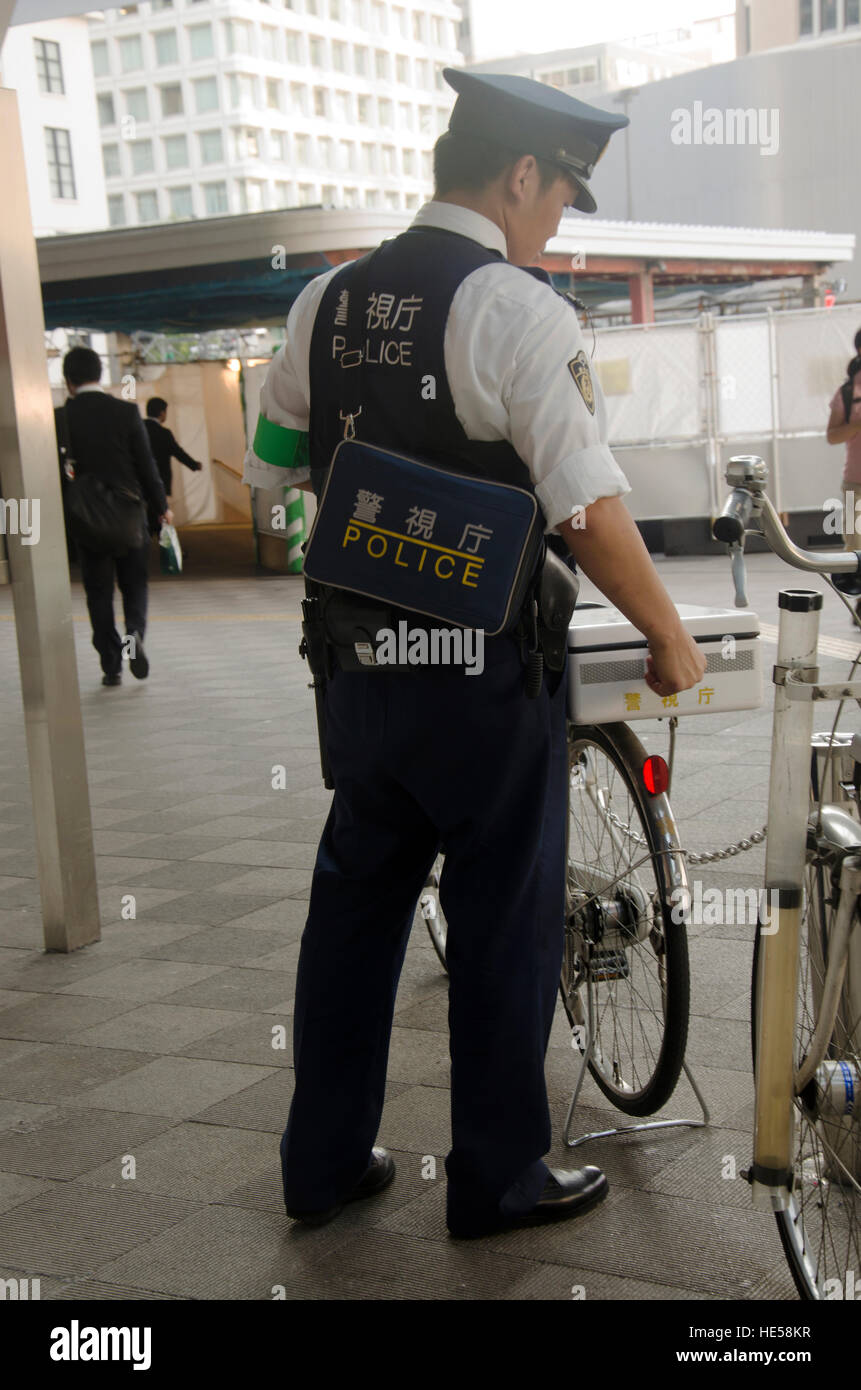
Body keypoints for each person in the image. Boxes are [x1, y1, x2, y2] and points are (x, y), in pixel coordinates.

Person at [243, 70, 706, 1240]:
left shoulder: (325, 302)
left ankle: (322, 1163)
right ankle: (499, 1176)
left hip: (356, 674)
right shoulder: (514, 308)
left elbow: (273, 472)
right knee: (504, 911)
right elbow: (586, 509)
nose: (555, 224)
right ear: (518, 175)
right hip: (482, 683)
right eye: (559, 198)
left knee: (353, 911)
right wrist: (666, 630)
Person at [56, 347, 171, 686]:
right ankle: (133, 634)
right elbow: (146, 466)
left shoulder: (60, 418)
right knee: (134, 585)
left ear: (68, 381)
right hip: (128, 516)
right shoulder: (126, 412)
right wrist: (161, 505)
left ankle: (110, 663)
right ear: (100, 375)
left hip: (86, 520)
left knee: (98, 592)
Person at [826, 351, 861, 555]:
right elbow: (832, 436)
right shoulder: (847, 394)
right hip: (855, 486)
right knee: (856, 547)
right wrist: (856, 425)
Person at [143, 397, 203, 502]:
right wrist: (194, 464)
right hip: (159, 480)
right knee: (159, 513)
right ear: (162, 413)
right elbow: (178, 453)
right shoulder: (164, 433)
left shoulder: (138, 429)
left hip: (140, 480)